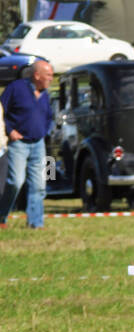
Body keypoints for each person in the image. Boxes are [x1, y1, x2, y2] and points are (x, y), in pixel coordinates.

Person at [0, 59, 55, 230]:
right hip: (18, 144)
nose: (52, 79)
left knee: (39, 185)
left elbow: (49, 116)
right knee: (15, 182)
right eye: (49, 75)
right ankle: (2, 216)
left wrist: (45, 131)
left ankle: (36, 223)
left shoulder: (45, 94)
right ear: (37, 75)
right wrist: (10, 131)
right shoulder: (16, 88)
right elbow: (2, 111)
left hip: (39, 144)